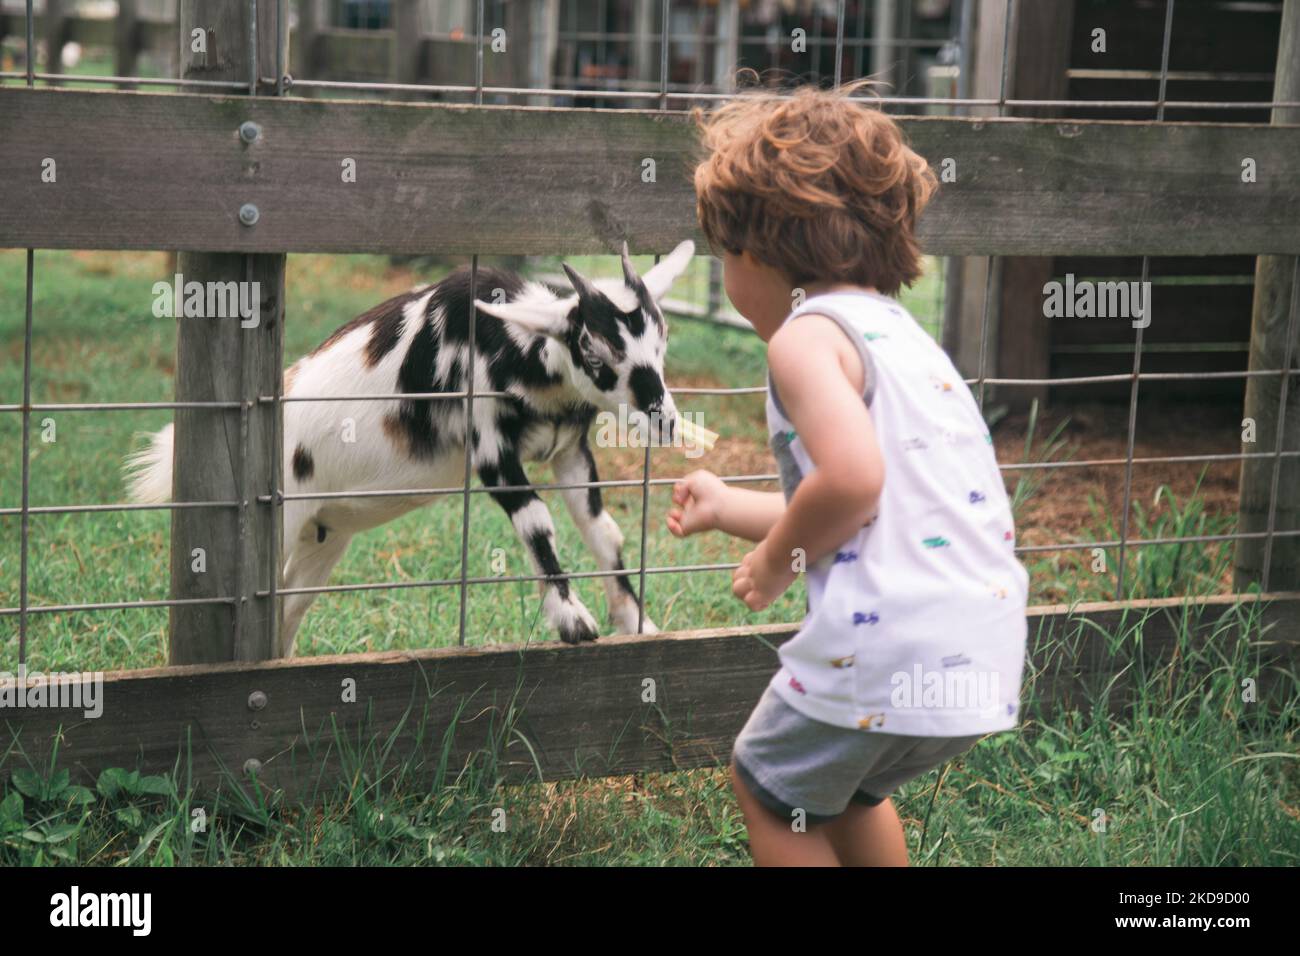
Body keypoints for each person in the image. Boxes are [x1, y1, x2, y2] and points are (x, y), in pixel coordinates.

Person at [667, 79, 1029, 866]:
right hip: (978, 649)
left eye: (727, 255)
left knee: (767, 787)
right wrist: (731, 507)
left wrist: (769, 563)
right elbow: (859, 509)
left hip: (887, 646)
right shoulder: (904, 339)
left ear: (756, 252)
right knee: (852, 792)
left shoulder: (803, 337)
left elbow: (854, 484)